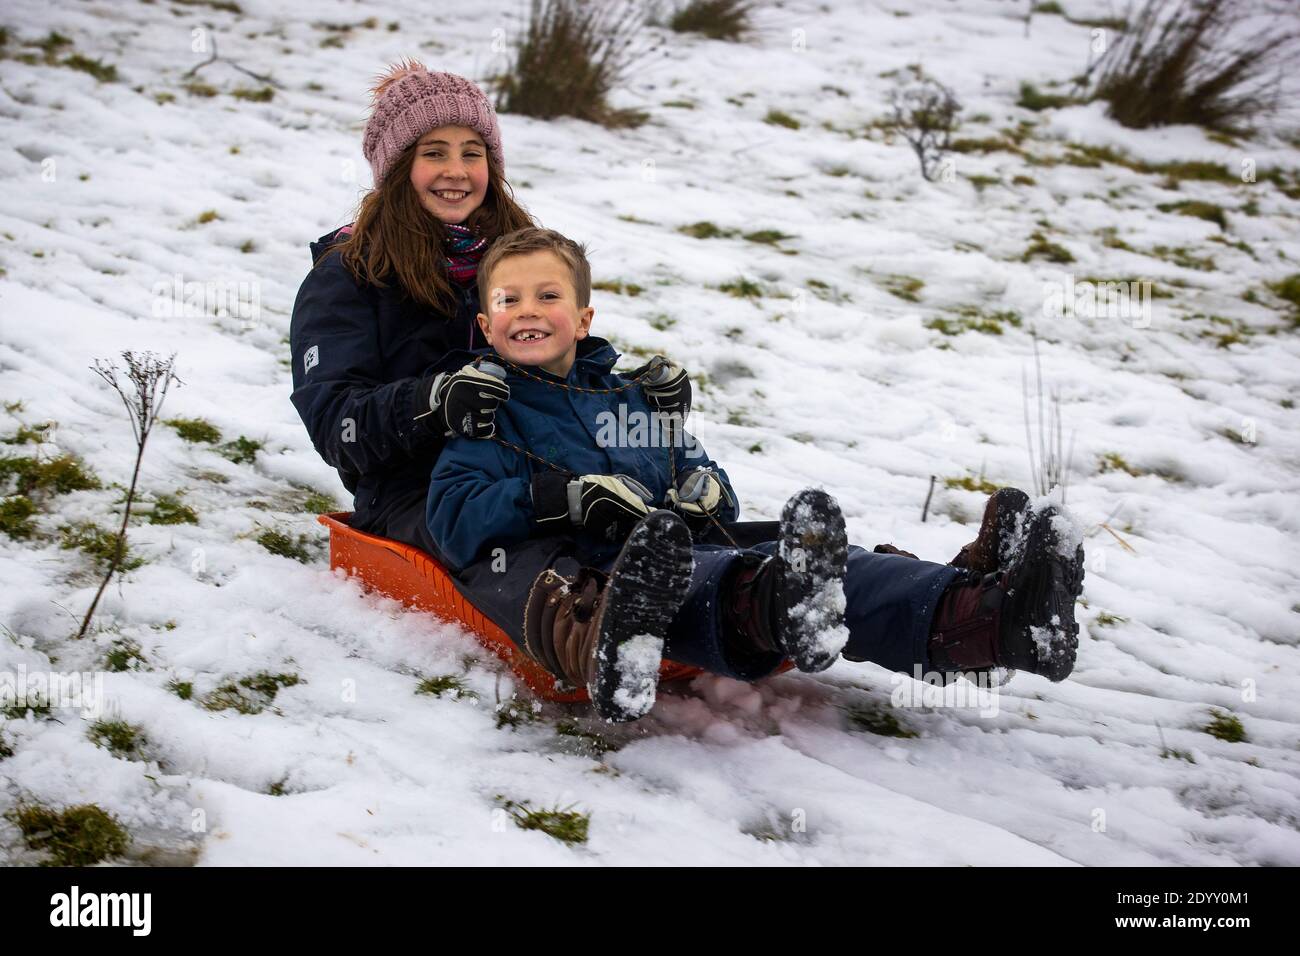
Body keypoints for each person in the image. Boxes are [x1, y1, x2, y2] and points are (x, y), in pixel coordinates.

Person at [427, 227, 1087, 722]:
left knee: (822, 561)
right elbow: (452, 517)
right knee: (723, 577)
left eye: (549, 295)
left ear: (585, 317)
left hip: (688, 543)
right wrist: (555, 497)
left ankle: (993, 616)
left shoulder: (629, 397)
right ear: (486, 324)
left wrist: (706, 487)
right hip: (612, 578)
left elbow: (687, 463)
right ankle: (778, 604)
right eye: (510, 300)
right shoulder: (491, 410)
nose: (530, 311)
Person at [289, 59, 530, 553]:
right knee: (520, 537)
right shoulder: (348, 277)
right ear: (398, 169)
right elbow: (336, 422)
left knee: (637, 504)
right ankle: (581, 619)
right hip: (415, 492)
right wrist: (433, 403)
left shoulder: (523, 256)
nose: (456, 172)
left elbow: (569, 360)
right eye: (434, 153)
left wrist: (634, 399)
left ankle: (726, 590)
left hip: (534, 464)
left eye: (472, 152)